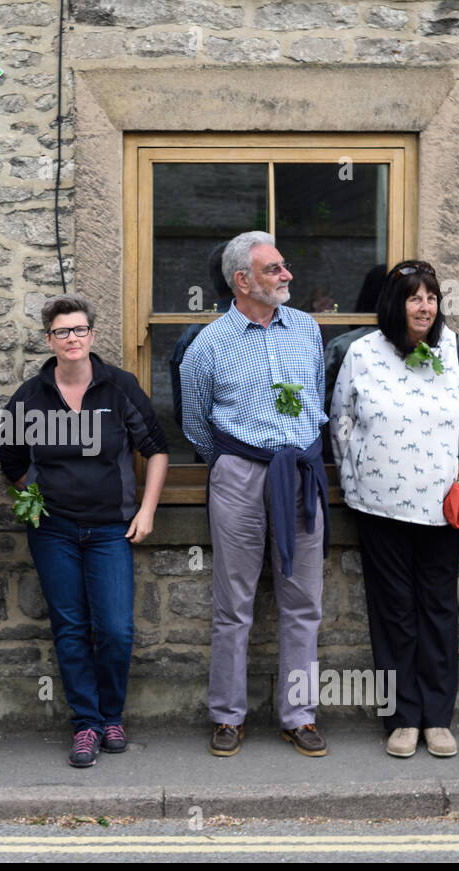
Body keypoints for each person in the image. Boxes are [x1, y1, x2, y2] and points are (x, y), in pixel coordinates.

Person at [330, 260, 459, 758]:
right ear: (394, 303)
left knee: (439, 611)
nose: (424, 306)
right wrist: (355, 476)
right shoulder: (362, 352)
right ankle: (402, 718)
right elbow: (341, 422)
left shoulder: (458, 350)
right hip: (379, 508)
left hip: (442, 508)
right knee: (393, 614)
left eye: (431, 297)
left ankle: (437, 718)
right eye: (413, 297)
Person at [0, 294, 169, 768]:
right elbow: (10, 457)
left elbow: (155, 448)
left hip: (112, 529)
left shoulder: (119, 387)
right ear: (48, 339)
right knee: (70, 628)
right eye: (61, 331)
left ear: (92, 335)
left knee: (114, 629)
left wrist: (147, 510)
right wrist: (33, 497)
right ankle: (86, 725)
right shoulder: (32, 397)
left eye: (79, 330)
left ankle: (112, 715)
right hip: (53, 532)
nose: (71, 338)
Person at [180, 231, 330, 759]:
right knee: (233, 604)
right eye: (273, 270)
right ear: (242, 281)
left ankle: (299, 715)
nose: (287, 275)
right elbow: (195, 423)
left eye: (284, 266)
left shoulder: (307, 330)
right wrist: (232, 464)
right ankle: (227, 715)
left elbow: (316, 395)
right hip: (240, 474)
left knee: (303, 602)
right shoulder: (208, 345)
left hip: (301, 476)